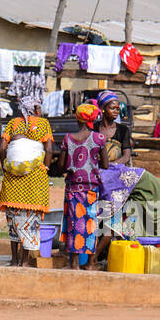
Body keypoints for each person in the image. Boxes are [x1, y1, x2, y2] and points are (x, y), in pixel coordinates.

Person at [0, 98, 54, 267]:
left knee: (13, 219)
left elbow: (2, 148)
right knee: (31, 220)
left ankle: (14, 260)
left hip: (13, 179)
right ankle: (25, 260)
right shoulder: (43, 124)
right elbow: (49, 149)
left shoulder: (13, 123)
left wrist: (5, 167)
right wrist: (46, 168)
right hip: (35, 180)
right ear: (36, 109)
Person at [60, 102, 108, 269]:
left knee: (74, 223)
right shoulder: (99, 138)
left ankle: (73, 263)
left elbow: (62, 166)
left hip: (73, 187)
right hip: (91, 189)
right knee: (90, 223)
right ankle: (89, 263)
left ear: (77, 119)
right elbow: (106, 165)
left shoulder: (68, 139)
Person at [95, 91, 133, 166]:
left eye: (117, 109)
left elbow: (126, 156)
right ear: (103, 109)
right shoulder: (94, 128)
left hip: (117, 167)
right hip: (97, 167)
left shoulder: (123, 130)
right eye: (112, 108)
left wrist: (111, 165)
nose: (116, 111)